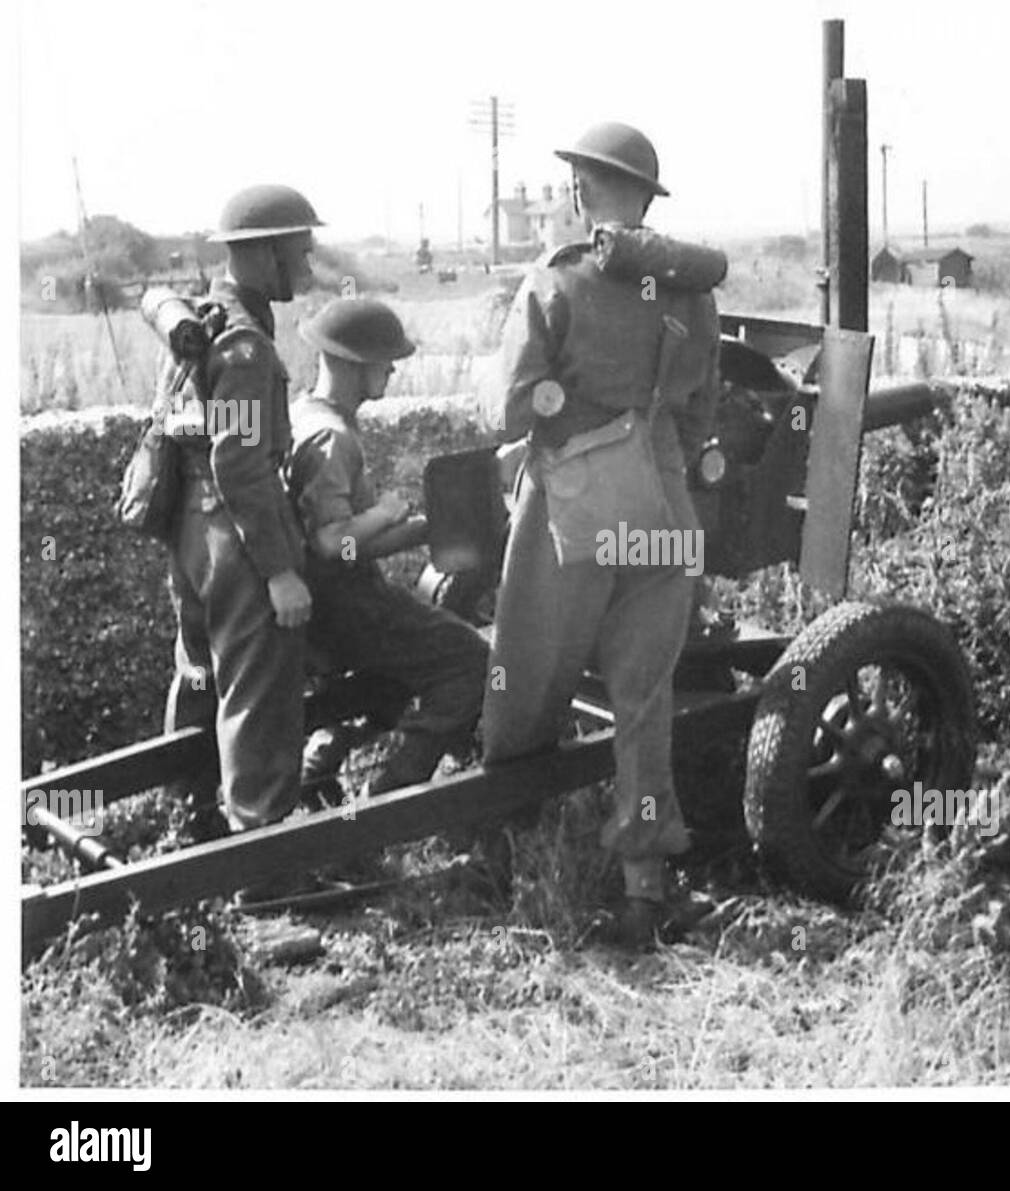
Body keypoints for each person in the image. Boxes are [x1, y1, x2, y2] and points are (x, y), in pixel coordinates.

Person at [481, 122, 722, 947]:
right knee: (645, 700)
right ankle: (644, 889)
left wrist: (562, 419)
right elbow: (699, 412)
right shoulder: (690, 293)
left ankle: (500, 852)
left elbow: (508, 404)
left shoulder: (558, 282)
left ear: (582, 192)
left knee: (525, 680)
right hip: (665, 513)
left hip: (575, 509)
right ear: (647, 202)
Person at [164, 184, 320, 834]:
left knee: (201, 678)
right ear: (264, 256)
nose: (308, 267)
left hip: (194, 529)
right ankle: (262, 872)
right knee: (259, 692)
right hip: (237, 535)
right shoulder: (246, 345)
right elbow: (238, 460)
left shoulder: (206, 321)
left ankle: (191, 821)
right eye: (299, 252)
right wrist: (280, 570)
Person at [287, 298, 488, 800]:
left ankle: (320, 764)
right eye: (386, 359)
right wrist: (385, 513)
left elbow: (351, 545)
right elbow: (334, 543)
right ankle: (389, 799)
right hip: (347, 608)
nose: (394, 368)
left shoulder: (309, 415)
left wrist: (428, 528)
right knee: (470, 661)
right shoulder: (331, 437)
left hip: (334, 602)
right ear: (356, 365)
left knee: (419, 649)